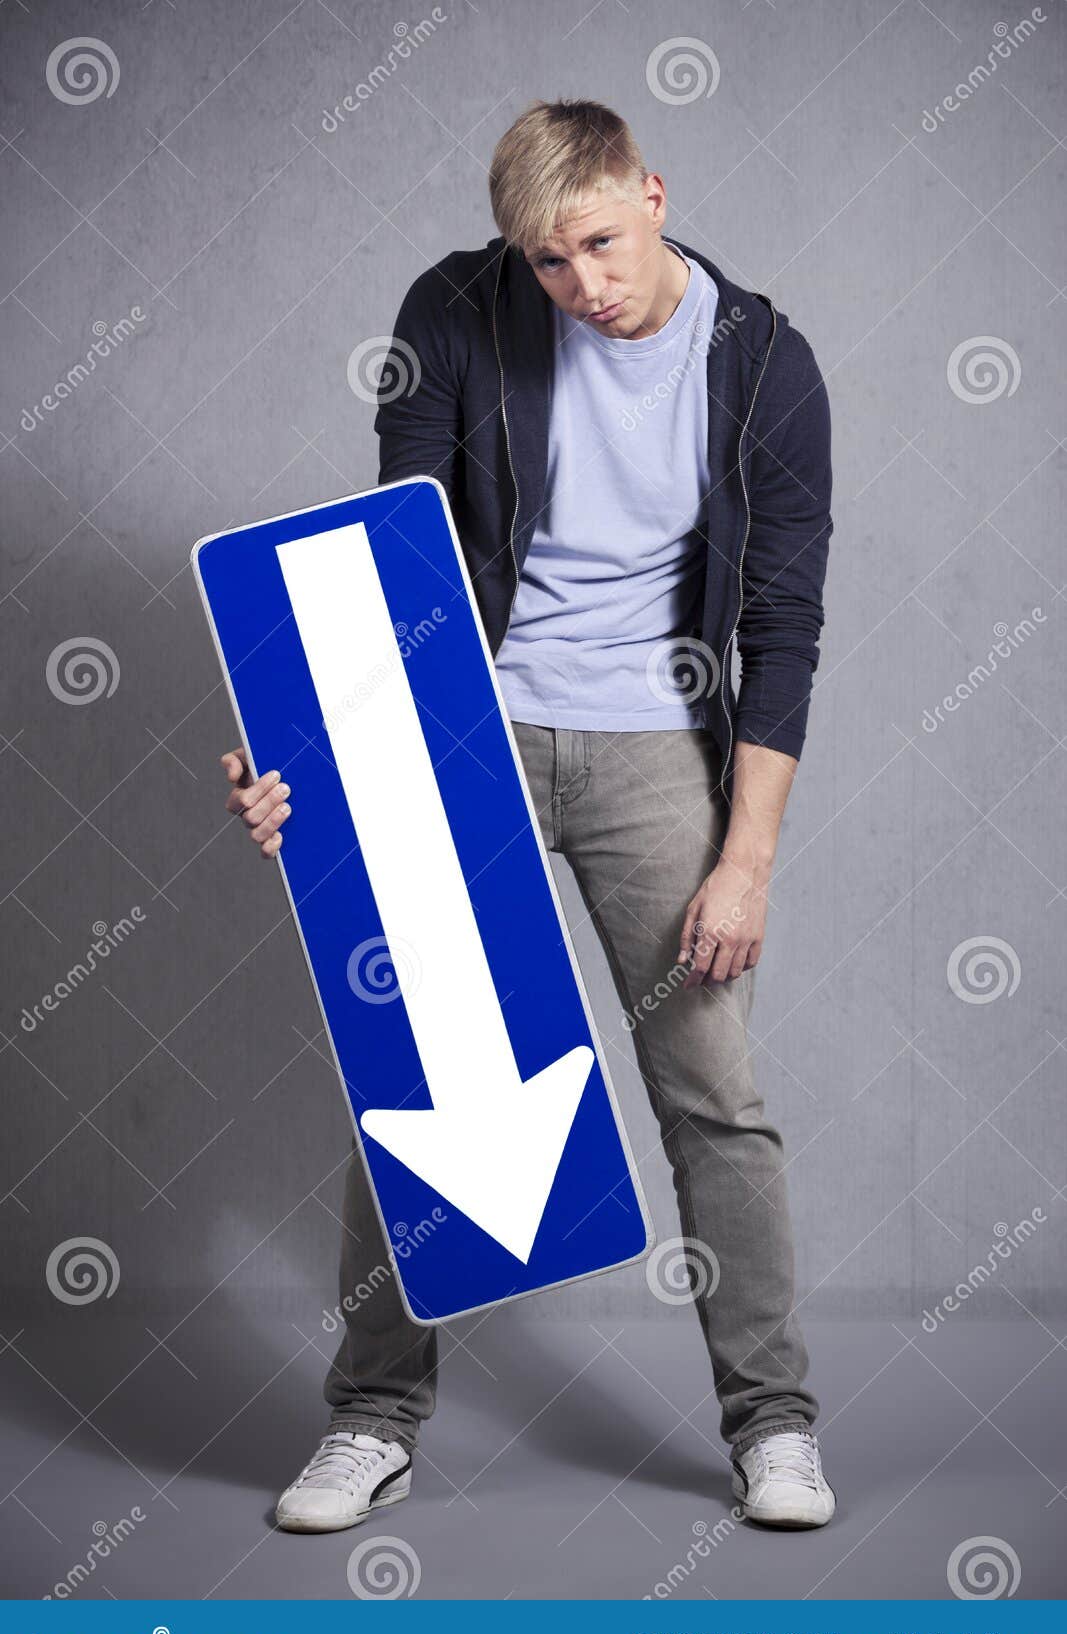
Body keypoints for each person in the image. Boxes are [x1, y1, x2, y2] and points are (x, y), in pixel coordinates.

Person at [221, 98, 836, 1534]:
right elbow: (394, 555)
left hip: (654, 744)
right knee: (416, 1072)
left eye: (602, 247)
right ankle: (371, 1417)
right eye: (550, 266)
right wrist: (304, 755)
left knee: (712, 1092)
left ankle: (774, 1426)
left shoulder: (765, 364)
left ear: (654, 193)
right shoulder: (455, 307)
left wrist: (745, 858)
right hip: (468, 726)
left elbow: (784, 626)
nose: (584, 289)